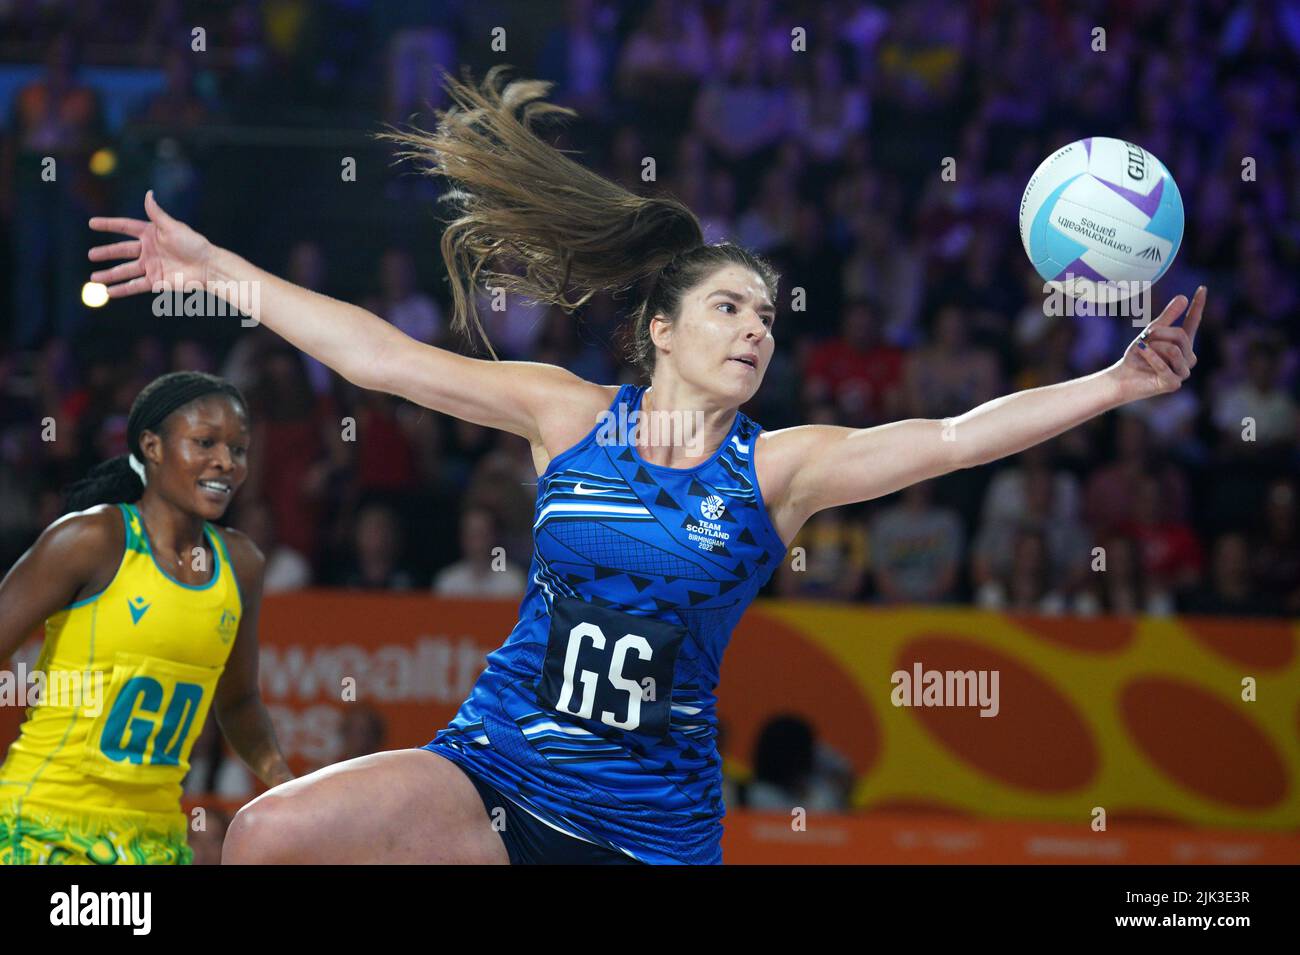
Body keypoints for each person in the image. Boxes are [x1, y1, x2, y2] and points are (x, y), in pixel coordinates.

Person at [86, 67, 1205, 865]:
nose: (756, 329)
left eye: (767, 316)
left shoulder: (783, 471)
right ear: (661, 330)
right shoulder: (566, 418)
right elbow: (381, 358)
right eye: (729, 307)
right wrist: (218, 268)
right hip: (496, 768)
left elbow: (959, 438)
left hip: (647, 831)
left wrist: (1113, 384)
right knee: (269, 833)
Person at [0, 372, 292, 864]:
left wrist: (285, 781)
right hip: (42, 828)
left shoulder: (242, 564)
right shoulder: (92, 539)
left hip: (153, 841)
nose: (225, 461)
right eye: (205, 443)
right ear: (152, 446)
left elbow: (239, 702)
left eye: (238, 449)